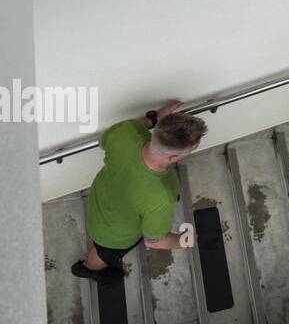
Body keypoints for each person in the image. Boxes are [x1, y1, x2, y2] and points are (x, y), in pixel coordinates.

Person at [72, 103, 208, 283]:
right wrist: (185, 240)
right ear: (173, 157)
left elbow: (103, 142)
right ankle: (87, 269)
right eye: (192, 149)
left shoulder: (126, 132)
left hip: (98, 199)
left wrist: (153, 118)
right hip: (113, 236)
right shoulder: (162, 195)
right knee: (102, 254)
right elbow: (154, 241)